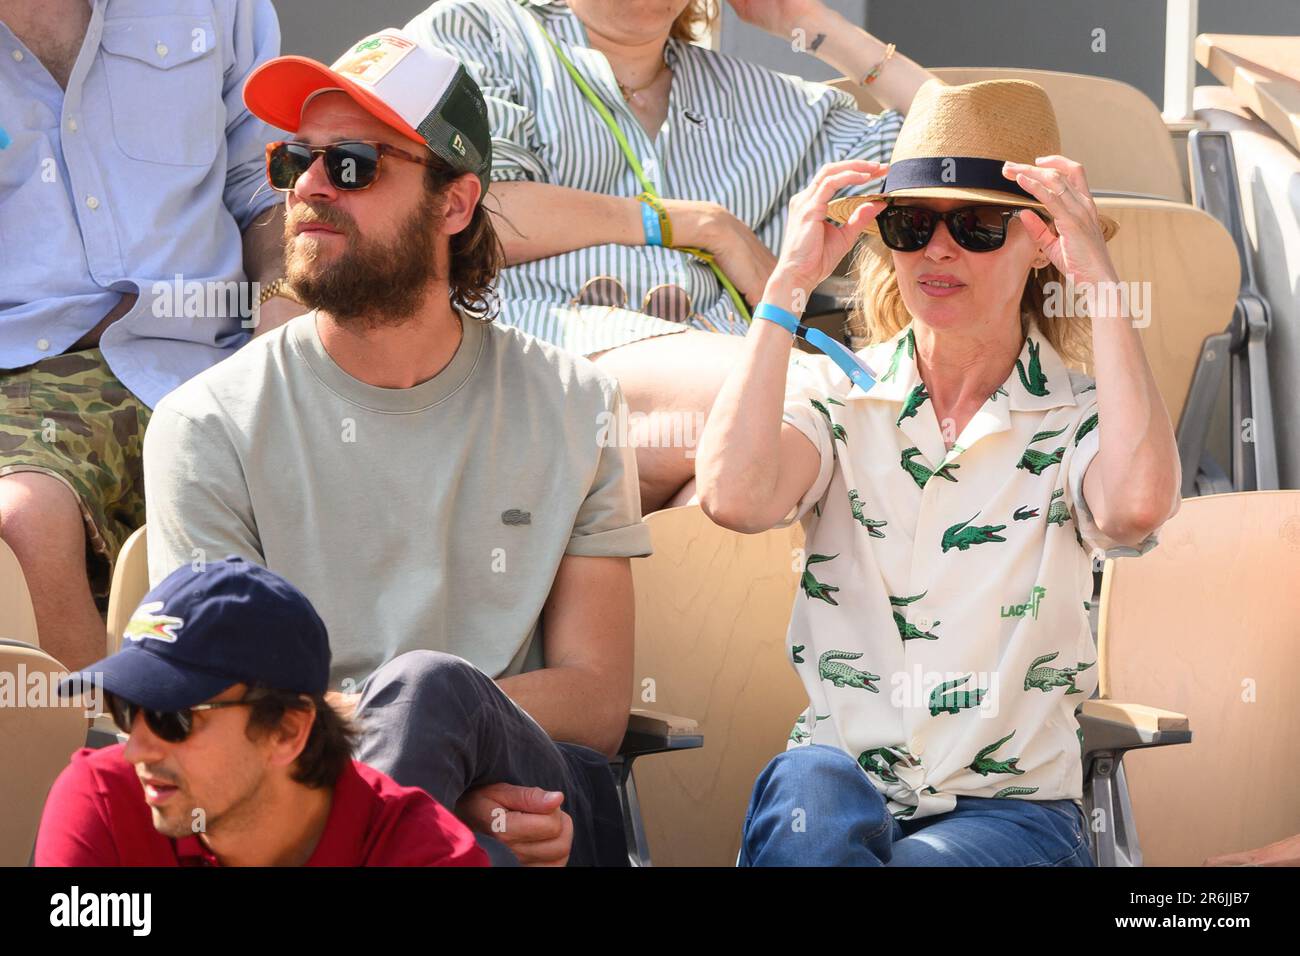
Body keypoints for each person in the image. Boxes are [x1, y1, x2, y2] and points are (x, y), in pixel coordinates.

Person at [143, 30, 649, 866]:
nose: (307, 187)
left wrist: (450, 733)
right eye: (293, 161)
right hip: (308, 810)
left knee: (435, 688)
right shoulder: (208, 423)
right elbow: (222, 709)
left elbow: (595, 699)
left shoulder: (574, 403)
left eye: (353, 165)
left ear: (454, 204)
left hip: (530, 807)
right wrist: (430, 775)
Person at [695, 78, 1182, 865]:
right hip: (835, 787)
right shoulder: (838, 395)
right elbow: (734, 497)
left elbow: (1134, 508)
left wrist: (1101, 285)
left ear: (1041, 243)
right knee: (812, 804)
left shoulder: (1083, 414)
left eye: (981, 224)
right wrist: (786, 287)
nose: (940, 250)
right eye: (912, 223)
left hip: (1010, 815)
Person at [409, 0, 938, 510]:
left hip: (703, 411)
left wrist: (808, 20)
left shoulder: (754, 97)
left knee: (757, 500)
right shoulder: (485, 29)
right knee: (826, 407)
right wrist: (701, 226)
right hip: (531, 370)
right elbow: (471, 213)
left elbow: (962, 150)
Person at [0, 0, 300, 672]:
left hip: (217, 350)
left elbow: (272, 184)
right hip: (21, 380)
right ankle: (98, 770)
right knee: (22, 522)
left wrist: (284, 303)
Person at [35, 557, 488, 867]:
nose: (135, 750)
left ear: (287, 731)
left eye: (171, 718)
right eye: (126, 708)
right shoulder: (103, 800)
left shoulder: (424, 854)